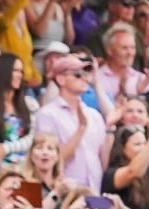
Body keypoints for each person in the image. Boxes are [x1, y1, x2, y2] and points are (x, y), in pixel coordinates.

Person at [32, 55, 107, 191]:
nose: (84, 78)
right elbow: (51, 161)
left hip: (95, 191)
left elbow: (103, 159)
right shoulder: (47, 114)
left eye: (85, 74)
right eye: (78, 74)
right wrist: (81, 129)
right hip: (65, 194)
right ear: (60, 79)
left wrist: (110, 131)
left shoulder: (94, 115)